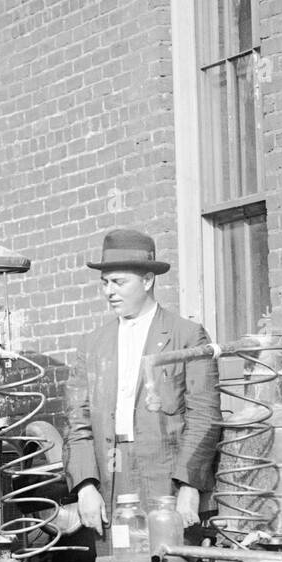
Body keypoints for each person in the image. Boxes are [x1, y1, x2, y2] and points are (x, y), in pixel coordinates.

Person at [65, 228, 223, 538]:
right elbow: (77, 421)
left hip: (167, 475)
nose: (109, 291)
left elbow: (205, 416)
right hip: (111, 478)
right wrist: (85, 486)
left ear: (148, 281)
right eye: (105, 283)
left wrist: (189, 486)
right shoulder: (92, 345)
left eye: (119, 282)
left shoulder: (187, 336)